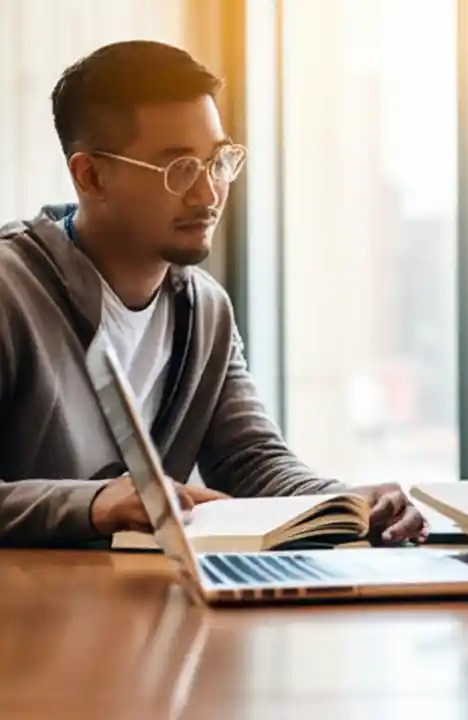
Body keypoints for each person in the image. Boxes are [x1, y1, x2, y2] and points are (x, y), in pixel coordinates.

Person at [0, 41, 424, 546]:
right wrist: (93, 504)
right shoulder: (10, 289)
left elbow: (253, 463)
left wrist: (345, 502)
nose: (208, 194)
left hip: (142, 604)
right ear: (90, 176)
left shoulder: (206, 310)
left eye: (218, 161)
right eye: (178, 169)